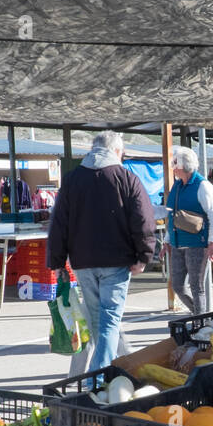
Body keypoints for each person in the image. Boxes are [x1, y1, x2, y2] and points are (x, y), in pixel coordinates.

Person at [46, 130, 154, 376]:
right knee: (109, 322)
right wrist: (144, 256)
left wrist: (57, 261)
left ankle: (110, 373)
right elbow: (143, 220)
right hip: (116, 263)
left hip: (83, 263)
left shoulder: (72, 179)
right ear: (116, 151)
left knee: (98, 322)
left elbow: (59, 222)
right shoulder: (126, 178)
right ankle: (99, 376)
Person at [164, 145, 213, 314]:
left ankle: (200, 321)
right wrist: (167, 240)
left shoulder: (203, 186)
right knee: (177, 286)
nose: (173, 167)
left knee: (196, 287)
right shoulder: (176, 186)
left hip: (197, 243)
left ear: (184, 166)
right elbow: (172, 216)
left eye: (176, 163)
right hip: (177, 244)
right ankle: (199, 315)